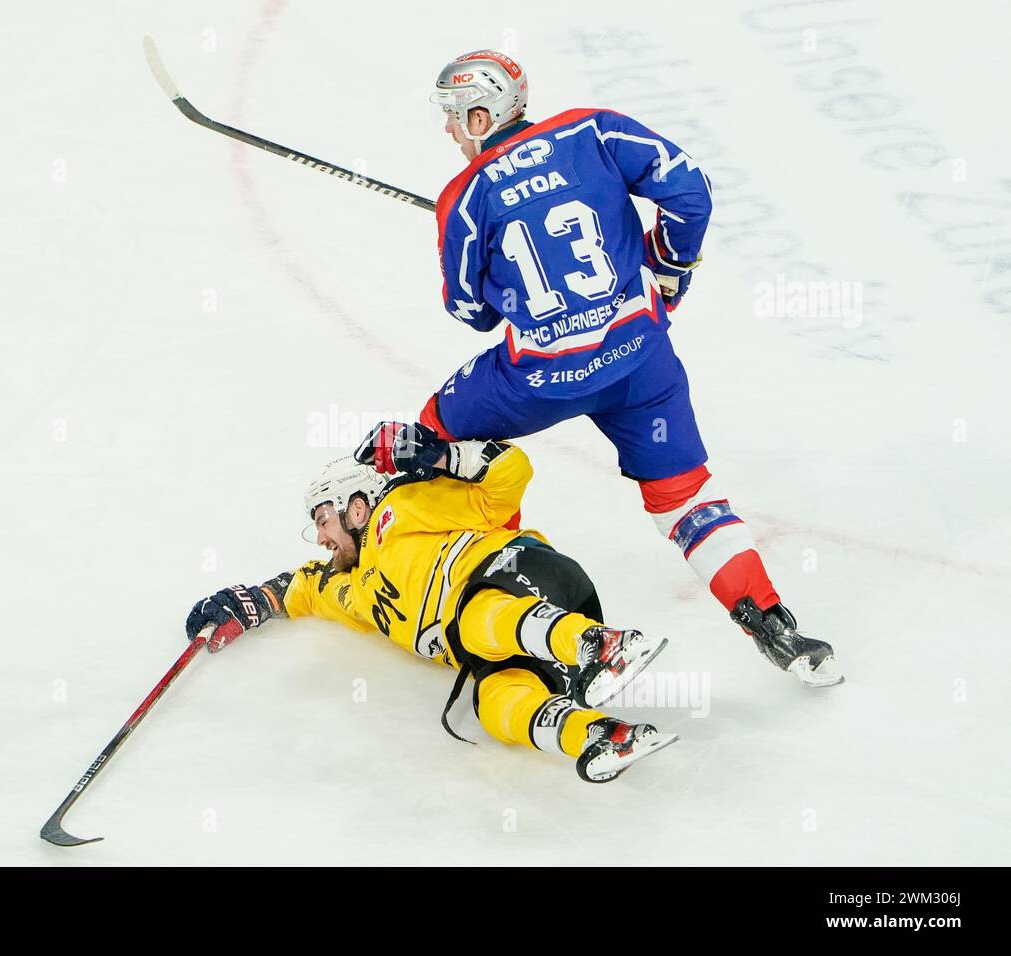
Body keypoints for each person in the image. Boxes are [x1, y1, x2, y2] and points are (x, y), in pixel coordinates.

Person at [423, 50, 841, 687]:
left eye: (454, 117)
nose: (450, 130)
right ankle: (776, 628)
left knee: (434, 431)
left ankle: (485, 585)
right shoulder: (593, 129)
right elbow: (689, 192)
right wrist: (667, 271)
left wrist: (499, 275)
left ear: (482, 114)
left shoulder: (464, 197)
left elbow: (469, 312)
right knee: (684, 498)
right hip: (641, 361)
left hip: (540, 380)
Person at [184, 422, 678, 783]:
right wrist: (248, 602)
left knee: (473, 621)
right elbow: (302, 588)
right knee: (494, 702)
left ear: (356, 506)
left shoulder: (403, 507)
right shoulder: (353, 591)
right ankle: (598, 735)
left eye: (322, 520)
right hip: (516, 639)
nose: (319, 538)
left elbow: (511, 474)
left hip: (528, 578)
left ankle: (601, 645)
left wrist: (440, 456)